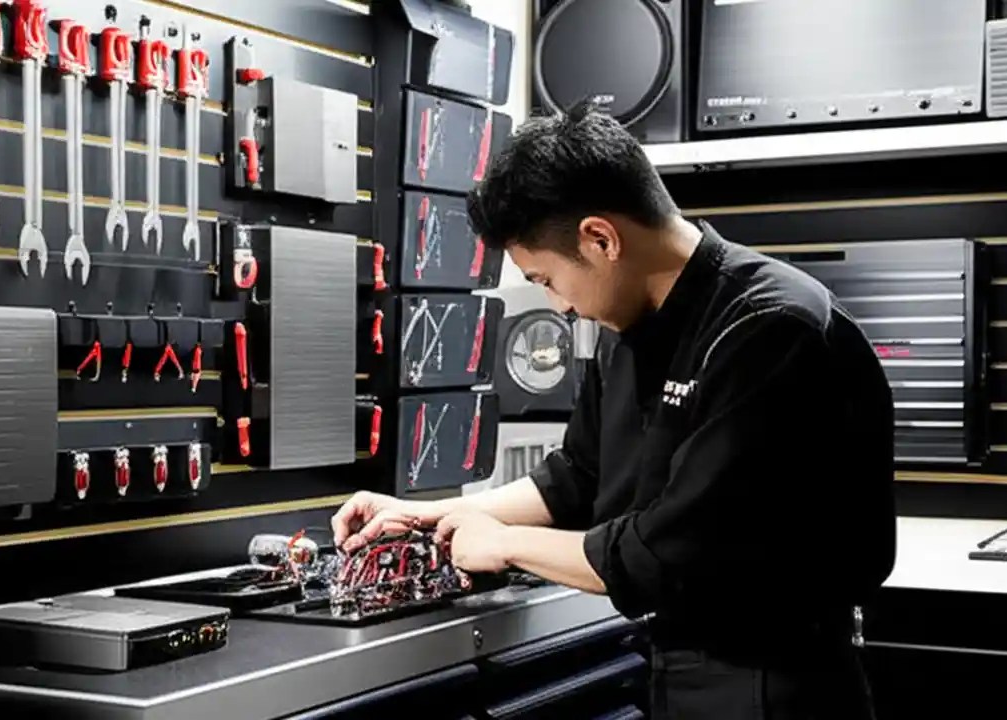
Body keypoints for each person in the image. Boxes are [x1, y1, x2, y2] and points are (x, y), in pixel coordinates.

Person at [332, 101, 897, 719]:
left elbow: (661, 557)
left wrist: (506, 544)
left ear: (601, 238)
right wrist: (427, 516)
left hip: (776, 684)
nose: (560, 305)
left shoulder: (771, 330)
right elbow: (578, 477)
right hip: (676, 666)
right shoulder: (627, 324)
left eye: (546, 279)